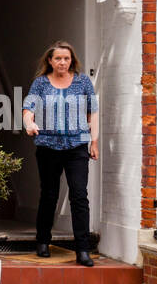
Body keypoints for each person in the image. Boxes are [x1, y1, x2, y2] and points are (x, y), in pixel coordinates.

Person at [21, 40, 100, 267]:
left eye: (66, 58)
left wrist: (94, 142)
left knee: (79, 195)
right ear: (50, 61)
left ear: (71, 60)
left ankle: (82, 249)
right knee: (49, 194)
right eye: (58, 58)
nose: (62, 62)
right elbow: (28, 109)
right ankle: (43, 241)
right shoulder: (40, 84)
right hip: (47, 146)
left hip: (77, 147)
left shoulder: (83, 81)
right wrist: (29, 123)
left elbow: (92, 113)